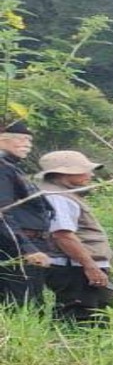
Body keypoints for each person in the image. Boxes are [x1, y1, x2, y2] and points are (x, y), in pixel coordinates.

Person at [36, 150, 113, 326]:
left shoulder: (60, 193)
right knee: (81, 318)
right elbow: (63, 235)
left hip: (77, 267)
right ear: (63, 173)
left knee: (94, 315)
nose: (90, 174)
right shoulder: (57, 196)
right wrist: (90, 266)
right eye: (84, 170)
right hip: (75, 268)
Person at [0, 122, 53, 307]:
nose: (28, 144)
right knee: (23, 304)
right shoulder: (2, 168)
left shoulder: (11, 167)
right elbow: (2, 213)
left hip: (24, 242)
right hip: (15, 246)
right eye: (21, 138)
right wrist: (27, 249)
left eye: (30, 140)